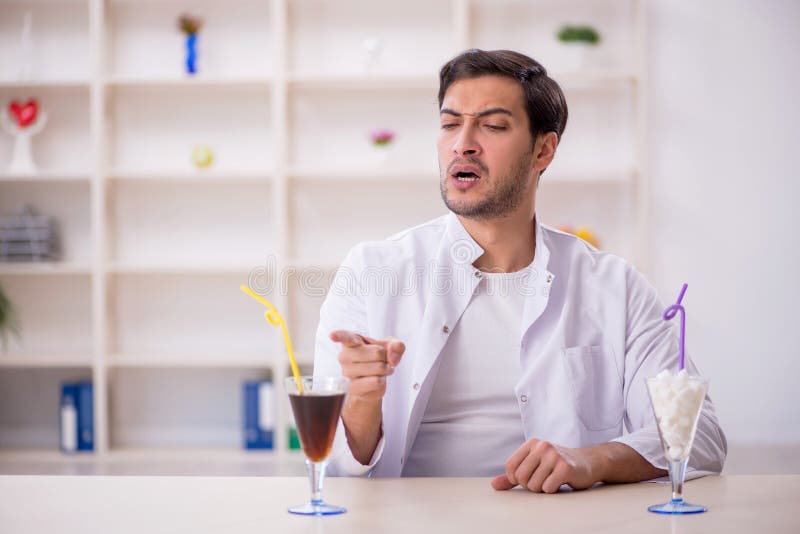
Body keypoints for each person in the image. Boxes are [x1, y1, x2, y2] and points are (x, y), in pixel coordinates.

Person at [312, 49, 727, 492]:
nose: (462, 143)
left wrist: (594, 460)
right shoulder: (373, 270)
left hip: (559, 518)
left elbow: (701, 437)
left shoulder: (614, 286)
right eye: (451, 124)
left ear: (543, 150)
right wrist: (362, 399)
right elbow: (334, 463)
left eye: (491, 126)